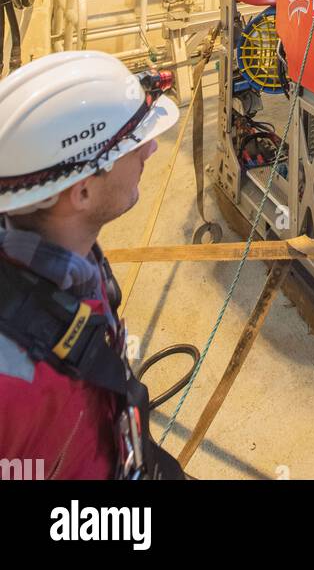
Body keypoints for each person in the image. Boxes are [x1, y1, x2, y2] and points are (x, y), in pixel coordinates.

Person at [0, 50, 184, 480]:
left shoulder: (73, 265)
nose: (152, 150)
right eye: (133, 145)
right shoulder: (13, 386)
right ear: (80, 193)